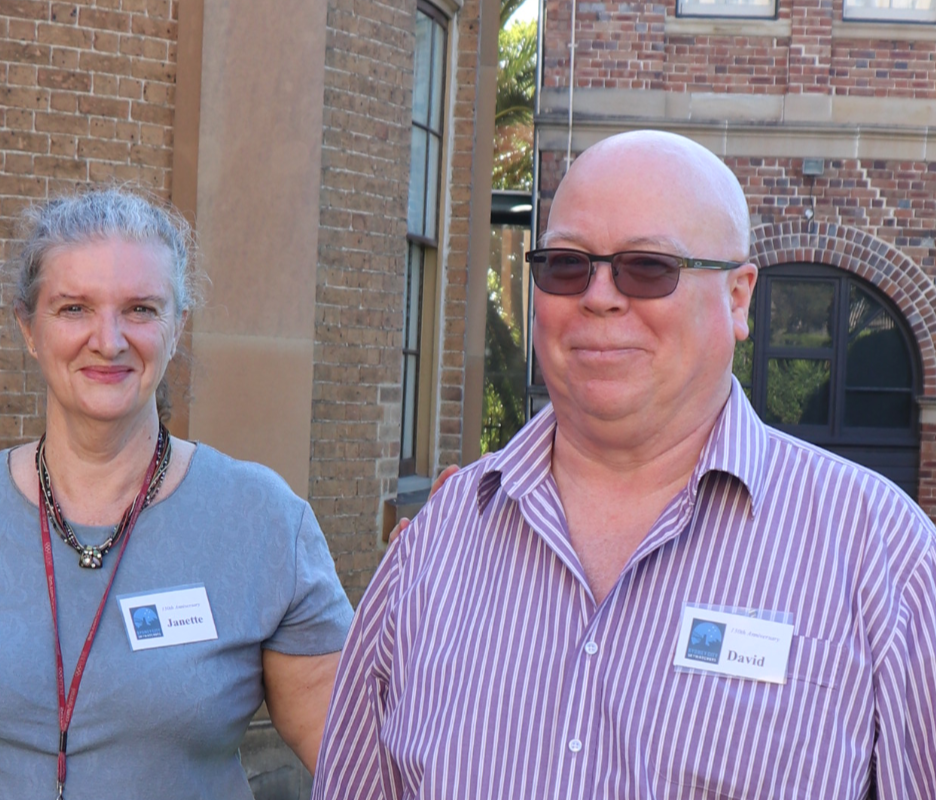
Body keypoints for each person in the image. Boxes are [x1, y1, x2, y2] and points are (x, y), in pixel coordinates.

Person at [313, 130, 936, 799]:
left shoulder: (880, 556)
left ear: (738, 297)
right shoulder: (437, 543)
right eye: (567, 265)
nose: (601, 295)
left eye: (647, 267)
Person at [0, 188, 354, 799]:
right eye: (74, 308)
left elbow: (363, 767)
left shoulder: (263, 523)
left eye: (140, 309)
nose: (107, 340)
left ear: (177, 326)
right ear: (29, 328)